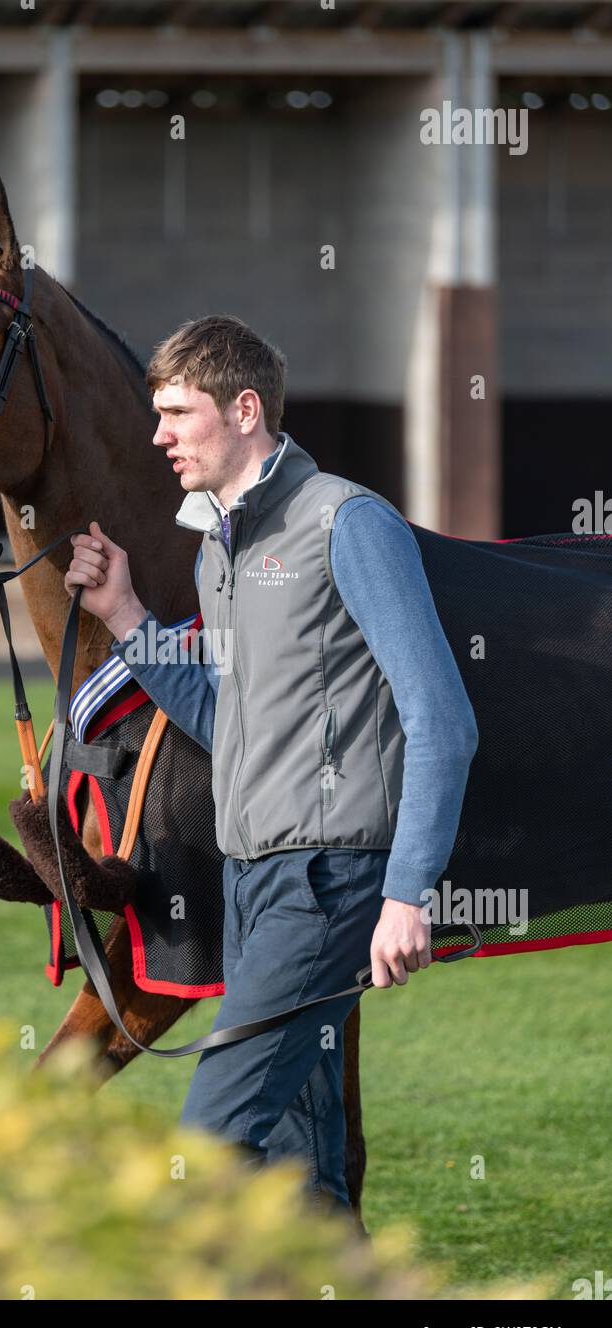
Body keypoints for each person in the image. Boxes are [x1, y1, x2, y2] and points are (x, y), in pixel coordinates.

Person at [64, 315, 479, 1221]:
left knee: (210, 1141)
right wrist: (128, 614)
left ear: (244, 409)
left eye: (177, 413)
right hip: (251, 885)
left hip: (329, 884)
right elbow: (232, 724)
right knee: (304, 1168)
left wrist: (406, 894)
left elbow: (441, 717)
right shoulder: (219, 547)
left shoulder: (348, 521)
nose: (158, 436)